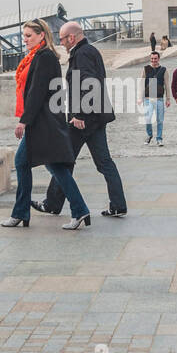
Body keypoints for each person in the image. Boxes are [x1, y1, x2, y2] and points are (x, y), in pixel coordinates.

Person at [31, 20, 128, 218]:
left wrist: (79, 115)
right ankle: (118, 204)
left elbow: (88, 84)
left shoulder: (82, 54)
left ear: (72, 37)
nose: (62, 44)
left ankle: (52, 203)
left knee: (63, 160)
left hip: (84, 120)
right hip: (96, 118)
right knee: (104, 163)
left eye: (63, 40)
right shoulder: (90, 51)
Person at [2, 19, 91, 230]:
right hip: (42, 123)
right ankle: (22, 213)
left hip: (45, 124)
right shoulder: (37, 57)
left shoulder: (45, 58)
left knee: (53, 167)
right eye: (23, 36)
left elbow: (37, 92)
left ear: (42, 35)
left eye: (29, 36)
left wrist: (23, 121)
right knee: (33, 164)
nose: (25, 40)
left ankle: (77, 210)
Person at [140, 51, 171, 145]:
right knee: (148, 118)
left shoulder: (163, 70)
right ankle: (149, 135)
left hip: (159, 99)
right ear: (150, 59)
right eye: (152, 58)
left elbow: (167, 85)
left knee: (160, 120)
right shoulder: (145, 69)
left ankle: (159, 138)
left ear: (158, 59)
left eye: (155, 58)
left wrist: (168, 99)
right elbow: (141, 84)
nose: (153, 60)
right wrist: (140, 98)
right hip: (148, 99)